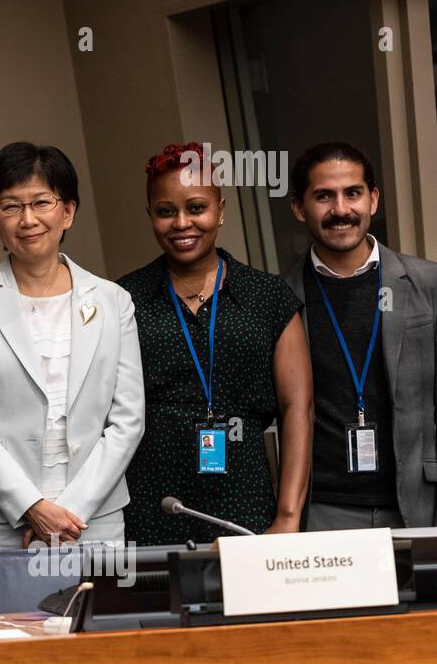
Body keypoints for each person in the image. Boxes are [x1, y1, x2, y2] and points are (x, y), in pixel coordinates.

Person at [0, 142, 144, 550]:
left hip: (91, 520)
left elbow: (128, 419)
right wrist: (31, 504)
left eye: (41, 202)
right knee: (2, 618)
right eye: (11, 206)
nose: (28, 219)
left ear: (67, 211)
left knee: (91, 614)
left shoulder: (112, 300)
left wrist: (71, 510)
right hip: (0, 519)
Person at [118, 143, 312, 543]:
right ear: (150, 216)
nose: (182, 222)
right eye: (166, 211)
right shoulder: (122, 299)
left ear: (220, 209)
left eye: (196, 207)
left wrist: (288, 516)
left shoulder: (267, 296)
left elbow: (299, 408)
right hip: (150, 505)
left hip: (245, 502)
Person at [284, 142, 437, 530]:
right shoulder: (280, 296)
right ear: (299, 208)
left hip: (419, 503)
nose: (340, 210)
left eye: (352, 193)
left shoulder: (428, 284)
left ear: (373, 199)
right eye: (323, 196)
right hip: (325, 508)